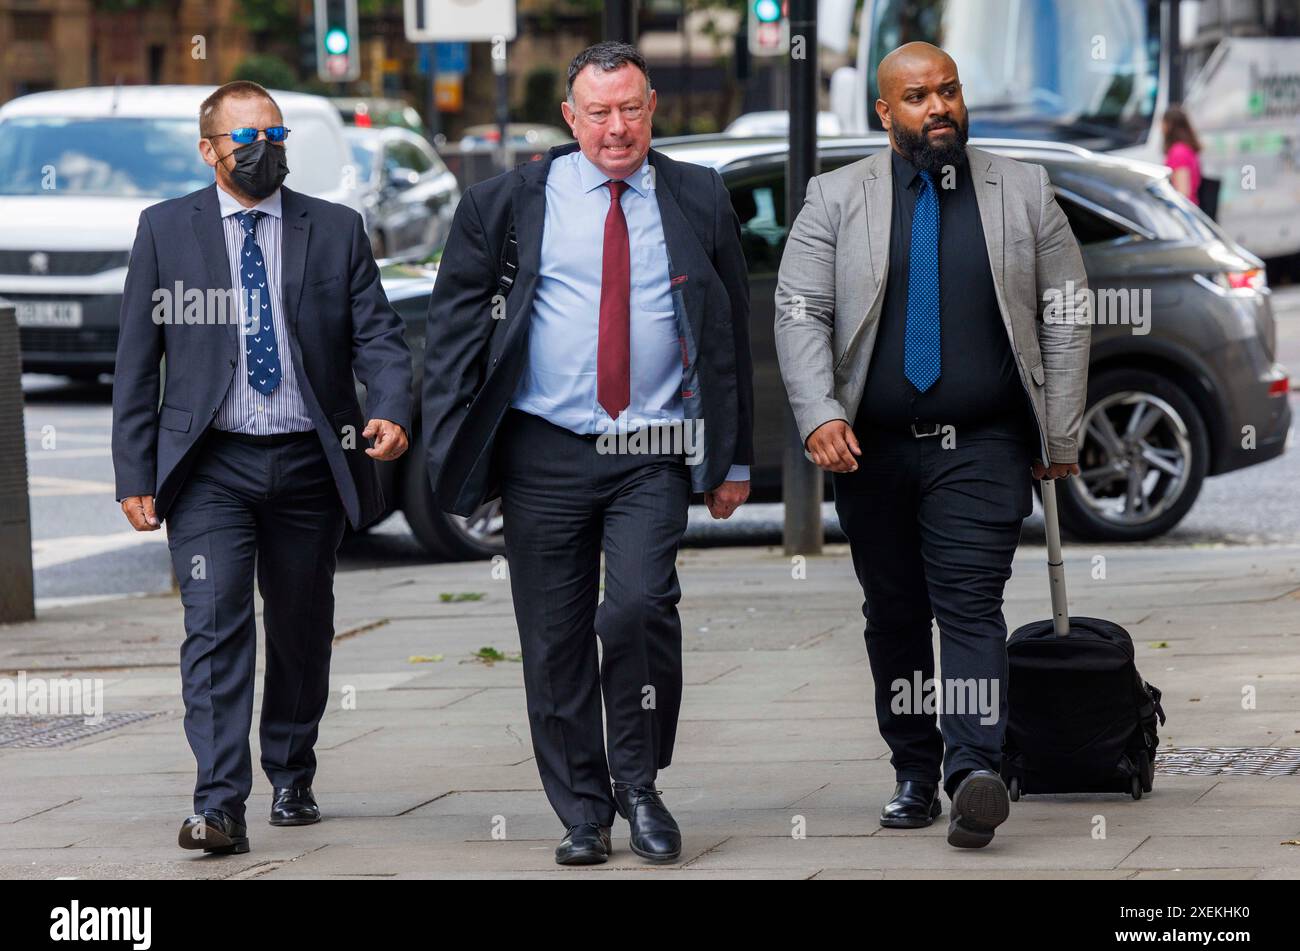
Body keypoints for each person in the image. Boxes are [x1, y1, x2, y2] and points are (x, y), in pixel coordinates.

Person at [422, 42, 753, 865]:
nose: (617, 127)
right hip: (544, 448)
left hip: (652, 446)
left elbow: (726, 337)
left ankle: (639, 786)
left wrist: (733, 458)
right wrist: (451, 449)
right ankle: (582, 811)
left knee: (639, 608)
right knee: (553, 637)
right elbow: (455, 334)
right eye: (598, 112)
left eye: (631, 108)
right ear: (570, 119)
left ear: (652, 111)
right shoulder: (503, 203)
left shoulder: (697, 194)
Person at [774, 42, 1091, 849]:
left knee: (971, 603)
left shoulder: (1021, 190)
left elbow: (1066, 308)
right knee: (896, 614)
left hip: (983, 443)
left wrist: (1059, 428)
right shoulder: (836, 197)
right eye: (917, 97)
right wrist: (817, 414)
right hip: (871, 448)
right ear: (884, 113)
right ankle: (914, 770)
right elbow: (801, 309)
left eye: (948, 90)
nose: (938, 107)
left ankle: (974, 769)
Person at [112, 80, 412, 855]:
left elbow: (378, 337)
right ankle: (218, 803)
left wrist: (390, 405)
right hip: (211, 465)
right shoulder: (164, 231)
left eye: (274, 137)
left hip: (310, 462)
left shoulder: (336, 228)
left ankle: (292, 768)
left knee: (303, 627)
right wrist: (134, 473)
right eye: (245, 139)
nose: (262, 151)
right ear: (208, 149)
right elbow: (138, 363)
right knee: (213, 626)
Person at [1162, 104, 1202, 206]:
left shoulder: (1179, 152)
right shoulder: (1185, 148)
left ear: (1169, 125)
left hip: (1183, 212)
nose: (1160, 127)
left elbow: (1183, 192)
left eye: (1163, 123)